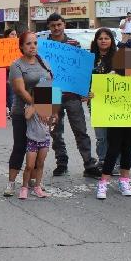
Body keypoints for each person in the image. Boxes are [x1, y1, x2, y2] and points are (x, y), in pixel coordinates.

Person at [44, 14, 101, 178]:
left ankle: (89, 164)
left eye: (59, 25)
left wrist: (84, 90)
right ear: (49, 27)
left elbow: (81, 69)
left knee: (80, 130)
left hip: (72, 94)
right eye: (53, 25)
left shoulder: (74, 44)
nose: (56, 28)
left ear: (64, 25)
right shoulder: (42, 46)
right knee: (55, 131)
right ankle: (61, 162)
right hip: (50, 94)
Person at [4, 31, 54, 197]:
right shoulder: (17, 65)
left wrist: (51, 110)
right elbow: (19, 89)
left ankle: (33, 182)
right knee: (20, 147)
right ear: (21, 47)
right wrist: (37, 106)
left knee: (40, 148)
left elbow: (49, 85)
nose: (33, 46)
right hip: (22, 112)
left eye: (35, 43)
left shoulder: (44, 63)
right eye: (28, 43)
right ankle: (11, 183)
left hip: (43, 112)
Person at [94, 42, 131, 199]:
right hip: (115, 119)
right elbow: (98, 93)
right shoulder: (111, 77)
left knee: (128, 149)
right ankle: (104, 182)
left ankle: (124, 180)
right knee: (113, 149)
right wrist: (93, 95)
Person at [89, 28, 116, 173]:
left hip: (116, 104)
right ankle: (102, 160)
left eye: (107, 38)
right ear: (96, 41)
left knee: (114, 135)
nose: (103, 41)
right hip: (96, 103)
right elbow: (84, 80)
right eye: (100, 38)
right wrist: (87, 93)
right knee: (101, 136)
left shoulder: (120, 57)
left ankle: (115, 162)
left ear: (111, 40)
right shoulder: (89, 59)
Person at [19, 103, 55, 199]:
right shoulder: (29, 105)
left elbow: (52, 121)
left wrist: (50, 119)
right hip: (32, 140)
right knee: (29, 166)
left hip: (45, 139)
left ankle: (37, 187)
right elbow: (27, 116)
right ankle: (24, 187)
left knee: (40, 164)